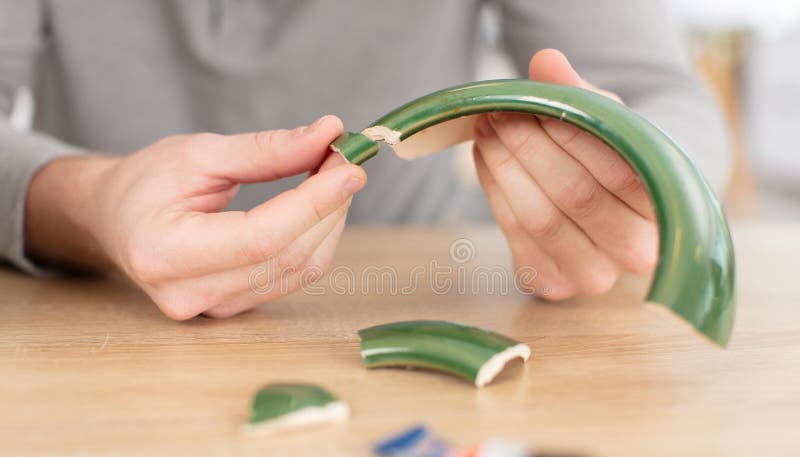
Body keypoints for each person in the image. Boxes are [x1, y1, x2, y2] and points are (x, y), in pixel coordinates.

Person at [0, 0, 730, 319]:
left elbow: (663, 98)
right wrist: (88, 202)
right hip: (98, 313)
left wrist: (631, 184)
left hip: (422, 294)